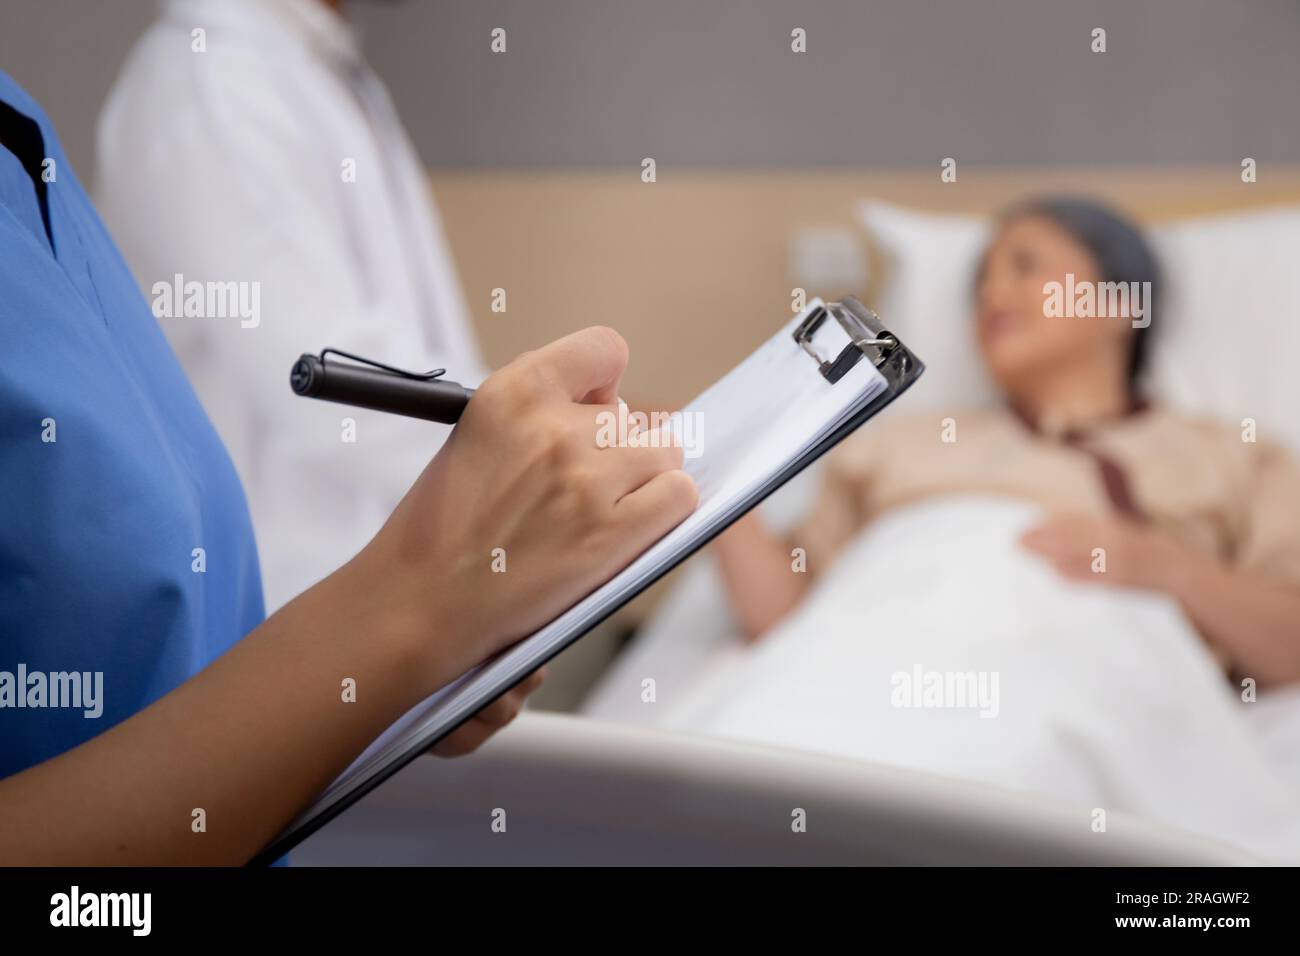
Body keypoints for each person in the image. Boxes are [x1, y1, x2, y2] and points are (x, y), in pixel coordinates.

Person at [0, 70, 697, 865]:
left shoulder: (19, 132)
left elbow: (152, 649)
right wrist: (409, 611)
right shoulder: (209, 93)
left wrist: (400, 667)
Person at [713, 197, 1300, 686]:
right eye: (981, 284)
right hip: (875, 670)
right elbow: (785, 615)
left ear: (1122, 303)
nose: (993, 294)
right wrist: (710, 479)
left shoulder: (1234, 457)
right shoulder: (896, 445)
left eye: (1024, 265)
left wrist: (1164, 569)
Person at [95, 0, 487, 611]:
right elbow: (329, 381)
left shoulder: (316, 69)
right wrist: (539, 432)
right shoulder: (211, 81)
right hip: (285, 611)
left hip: (364, 607)